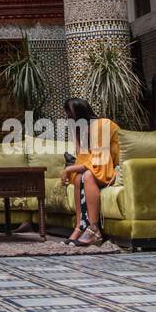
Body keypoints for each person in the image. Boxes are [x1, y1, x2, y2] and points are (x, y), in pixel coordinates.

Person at [59, 98, 120, 247]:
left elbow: (98, 161)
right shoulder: (85, 129)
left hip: (111, 166)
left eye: (69, 115)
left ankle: (95, 230)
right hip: (99, 166)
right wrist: (76, 134)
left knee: (86, 175)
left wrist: (68, 169)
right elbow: (83, 158)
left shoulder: (102, 125)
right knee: (79, 176)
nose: (68, 118)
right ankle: (80, 227)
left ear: (80, 113)